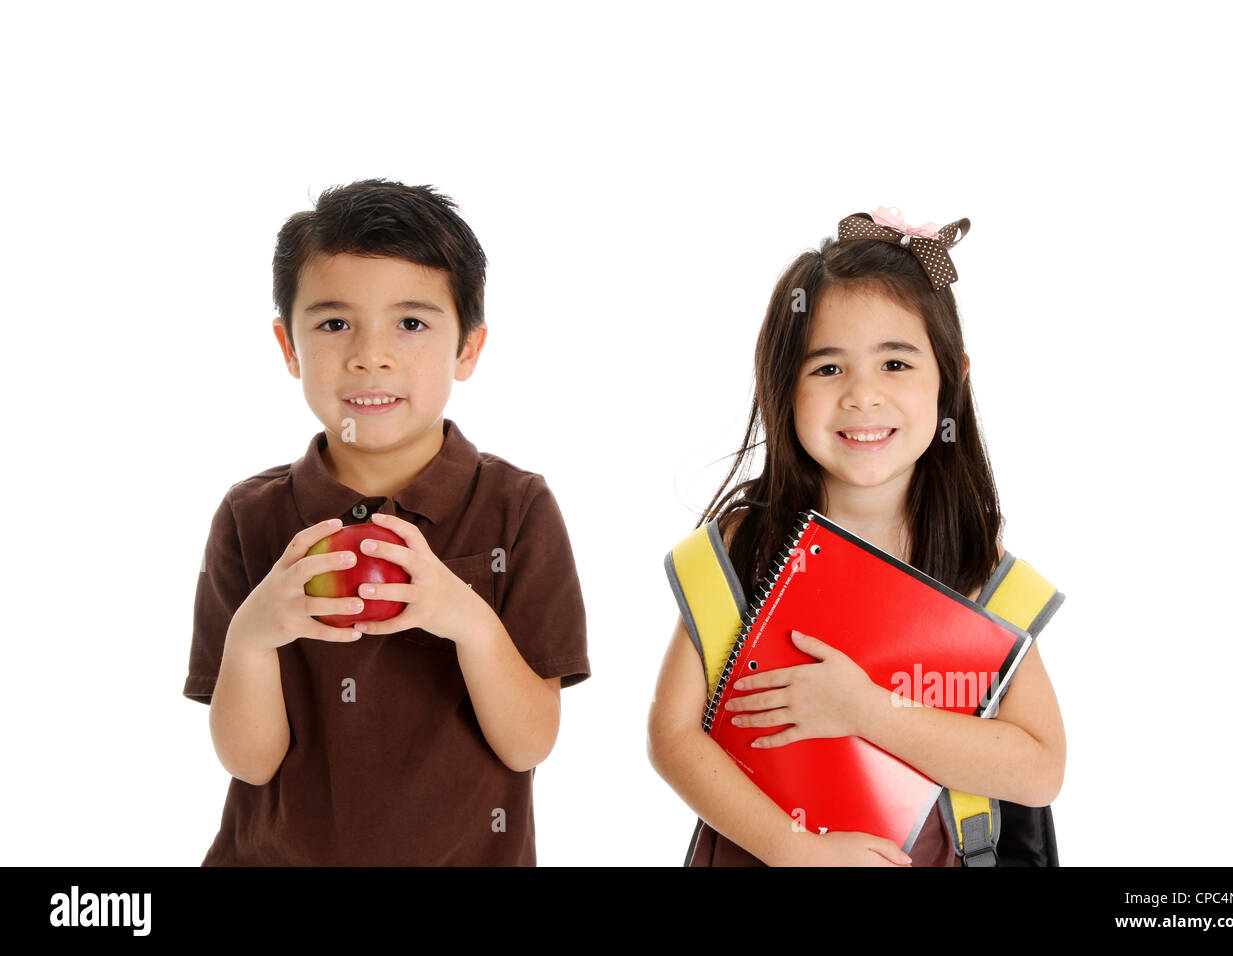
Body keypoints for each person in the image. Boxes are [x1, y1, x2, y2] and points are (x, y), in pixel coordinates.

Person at [183, 179, 590, 865]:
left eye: (412, 323)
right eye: (335, 323)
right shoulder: (252, 517)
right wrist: (252, 639)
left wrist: (463, 616)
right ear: (289, 346)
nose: (372, 355)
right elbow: (250, 764)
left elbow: (528, 743)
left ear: (468, 348)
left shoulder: (516, 507)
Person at [647, 208, 1066, 866]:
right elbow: (673, 737)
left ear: (950, 378)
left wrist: (867, 710)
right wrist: (794, 851)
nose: (862, 396)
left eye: (895, 363)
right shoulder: (744, 547)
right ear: (783, 389)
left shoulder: (976, 572)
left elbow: (1039, 770)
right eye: (828, 369)